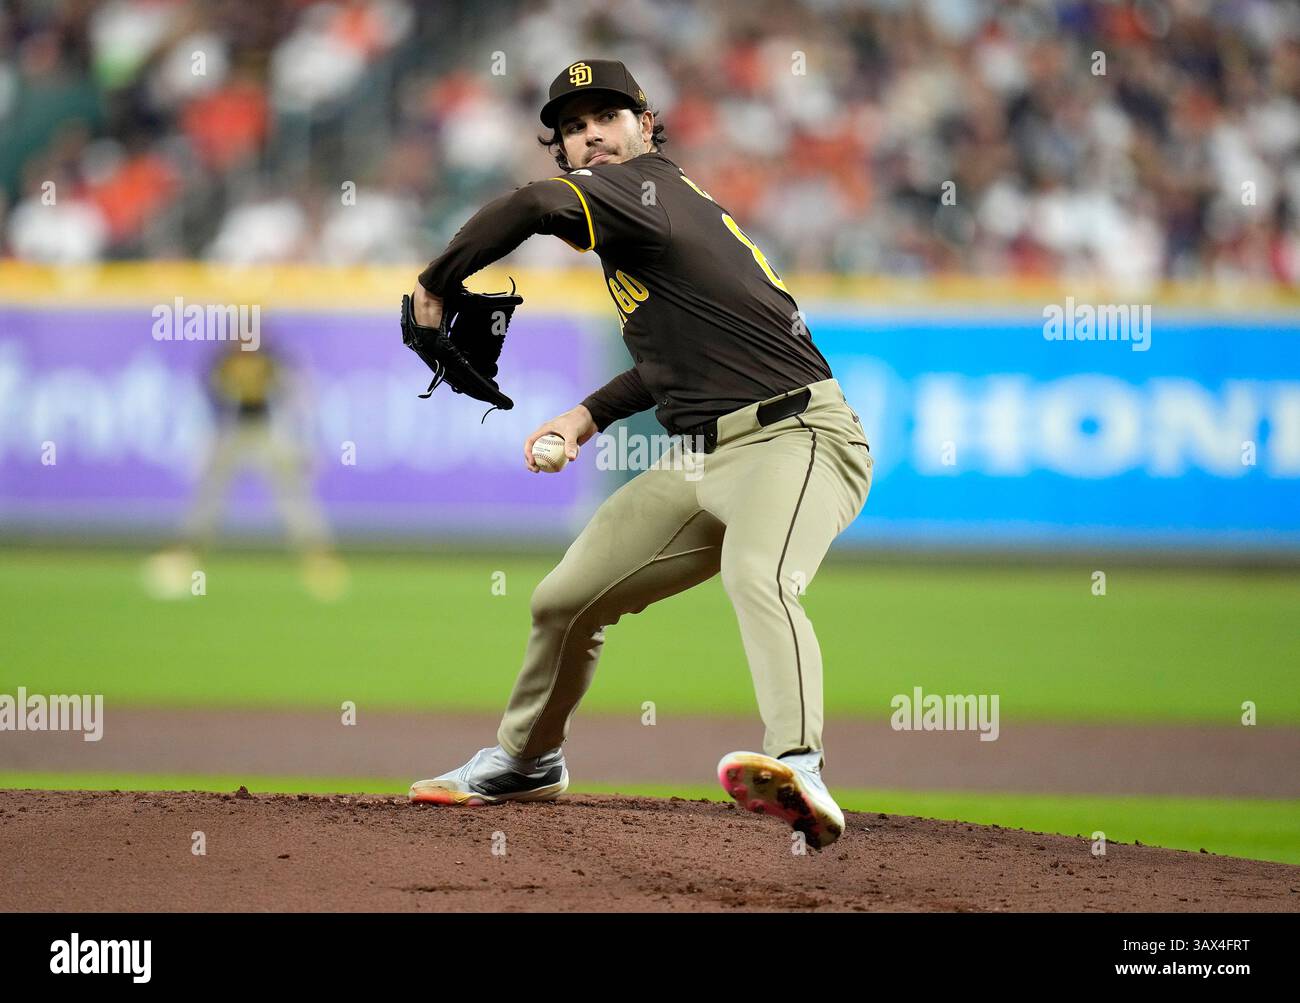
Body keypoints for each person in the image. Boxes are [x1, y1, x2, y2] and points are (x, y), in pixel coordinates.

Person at [407, 60, 873, 848]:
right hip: (704, 457)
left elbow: (532, 204)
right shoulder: (647, 224)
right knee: (565, 600)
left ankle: (801, 763)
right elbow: (671, 364)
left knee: (759, 574)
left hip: (798, 435)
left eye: (608, 116)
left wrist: (435, 281)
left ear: (646, 126)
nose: (591, 134)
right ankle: (527, 760)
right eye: (573, 127)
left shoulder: (644, 189)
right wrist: (584, 417)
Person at [142, 339, 347, 601]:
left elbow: (293, 392)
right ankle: (186, 550)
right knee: (210, 491)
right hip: (232, 429)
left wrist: (297, 432)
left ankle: (317, 554)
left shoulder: (270, 355)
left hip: (265, 428)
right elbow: (211, 392)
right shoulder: (224, 358)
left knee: (291, 492)